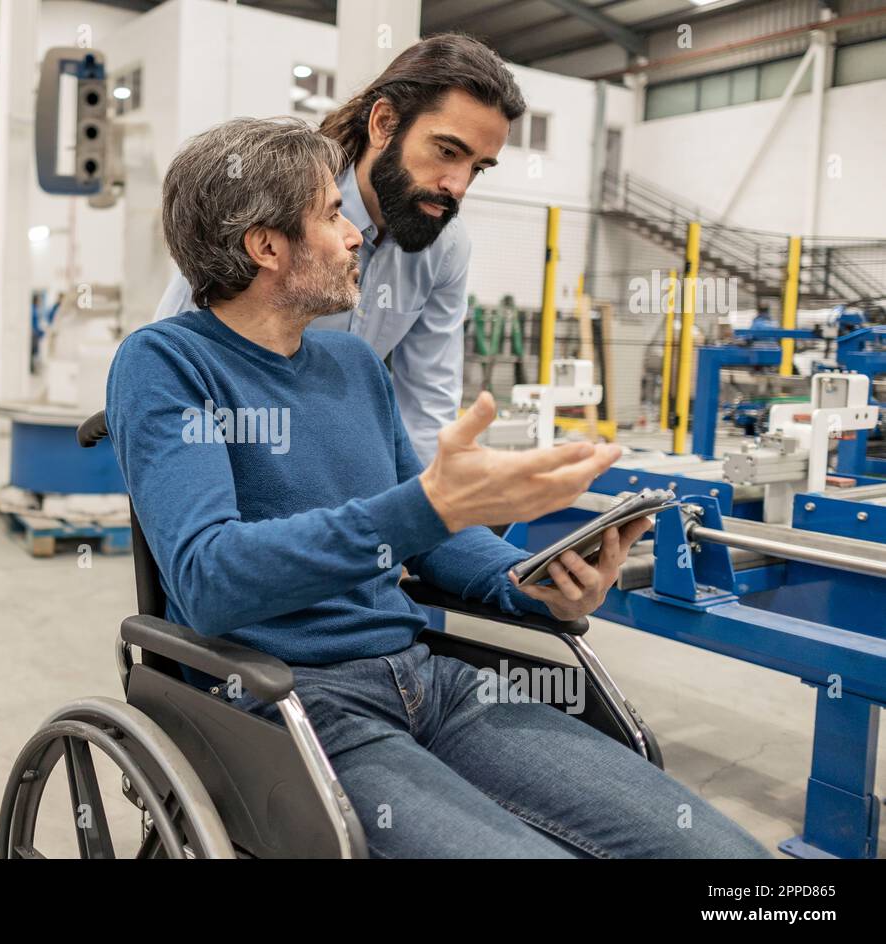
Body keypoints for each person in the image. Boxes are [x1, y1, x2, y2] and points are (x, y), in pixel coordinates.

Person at [107, 116, 770, 859]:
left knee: (722, 856)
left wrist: (529, 583)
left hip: (429, 677)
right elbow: (210, 577)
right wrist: (425, 503)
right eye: (331, 216)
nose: (357, 234)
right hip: (291, 703)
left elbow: (429, 533)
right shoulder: (166, 363)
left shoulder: (353, 367)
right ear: (266, 246)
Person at [155, 31, 526, 464]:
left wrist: (434, 514)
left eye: (478, 168)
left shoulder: (444, 246)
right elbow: (170, 365)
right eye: (446, 151)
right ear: (384, 124)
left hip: (327, 465)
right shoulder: (277, 202)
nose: (458, 187)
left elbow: (426, 407)